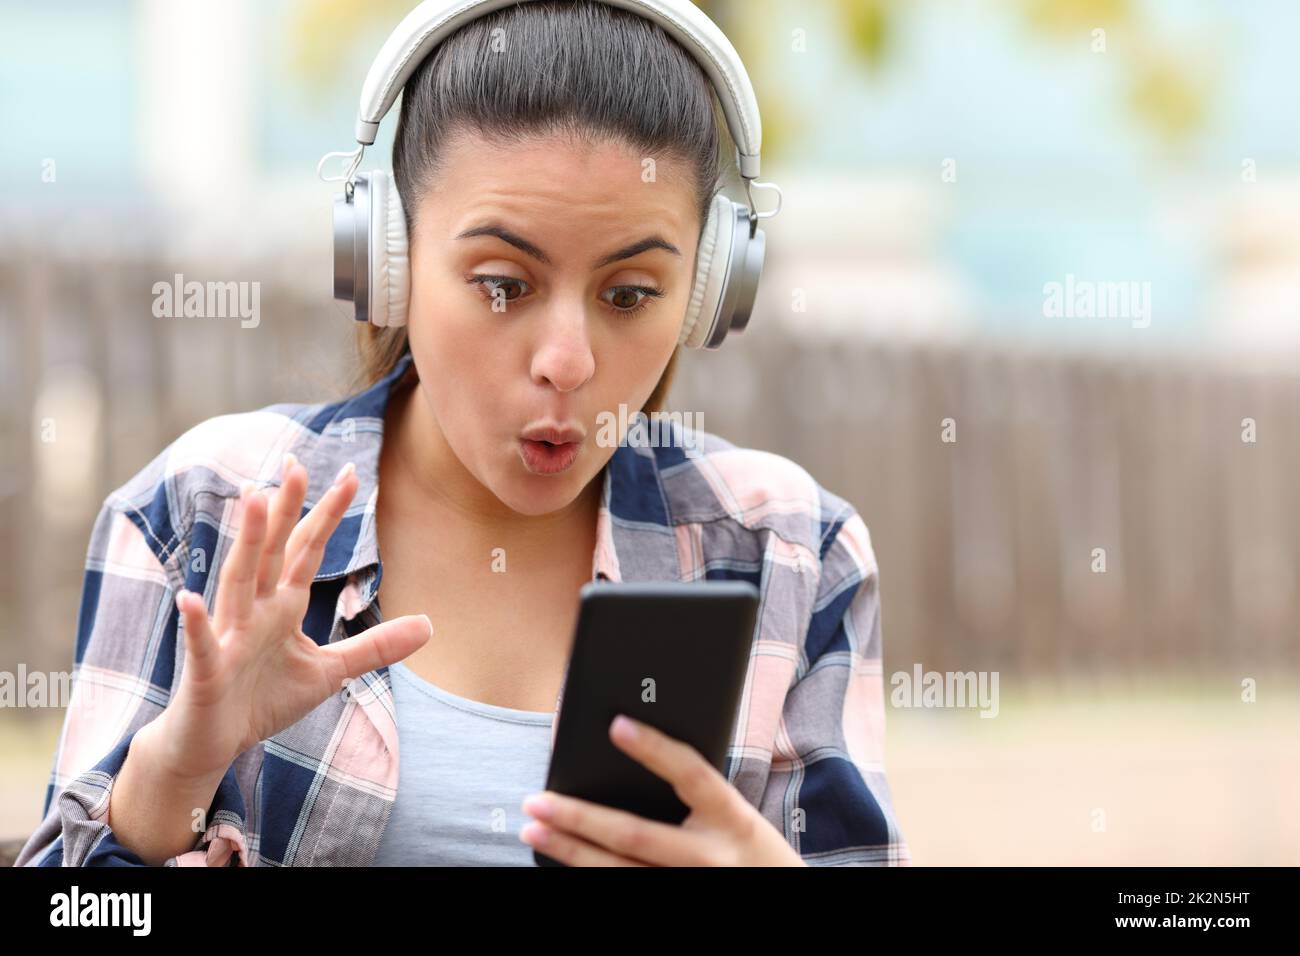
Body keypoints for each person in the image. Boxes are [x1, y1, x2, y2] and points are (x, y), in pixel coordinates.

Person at [15, 0, 909, 867]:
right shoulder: (203, 512)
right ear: (387, 260)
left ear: (708, 294)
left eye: (630, 295)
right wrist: (169, 778)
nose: (567, 361)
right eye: (501, 283)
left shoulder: (791, 552)